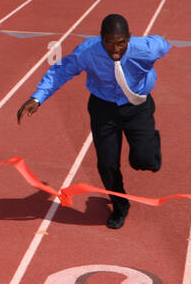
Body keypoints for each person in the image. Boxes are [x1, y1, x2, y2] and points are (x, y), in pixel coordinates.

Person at [17, 14, 170, 229]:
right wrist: (38, 97)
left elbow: (164, 45)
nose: (114, 49)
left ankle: (149, 147)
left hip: (137, 107)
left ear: (129, 38)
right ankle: (120, 205)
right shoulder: (88, 51)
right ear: (101, 38)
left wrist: (157, 50)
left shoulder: (146, 48)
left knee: (144, 160)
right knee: (107, 164)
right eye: (108, 42)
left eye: (120, 42)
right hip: (103, 108)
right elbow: (62, 70)